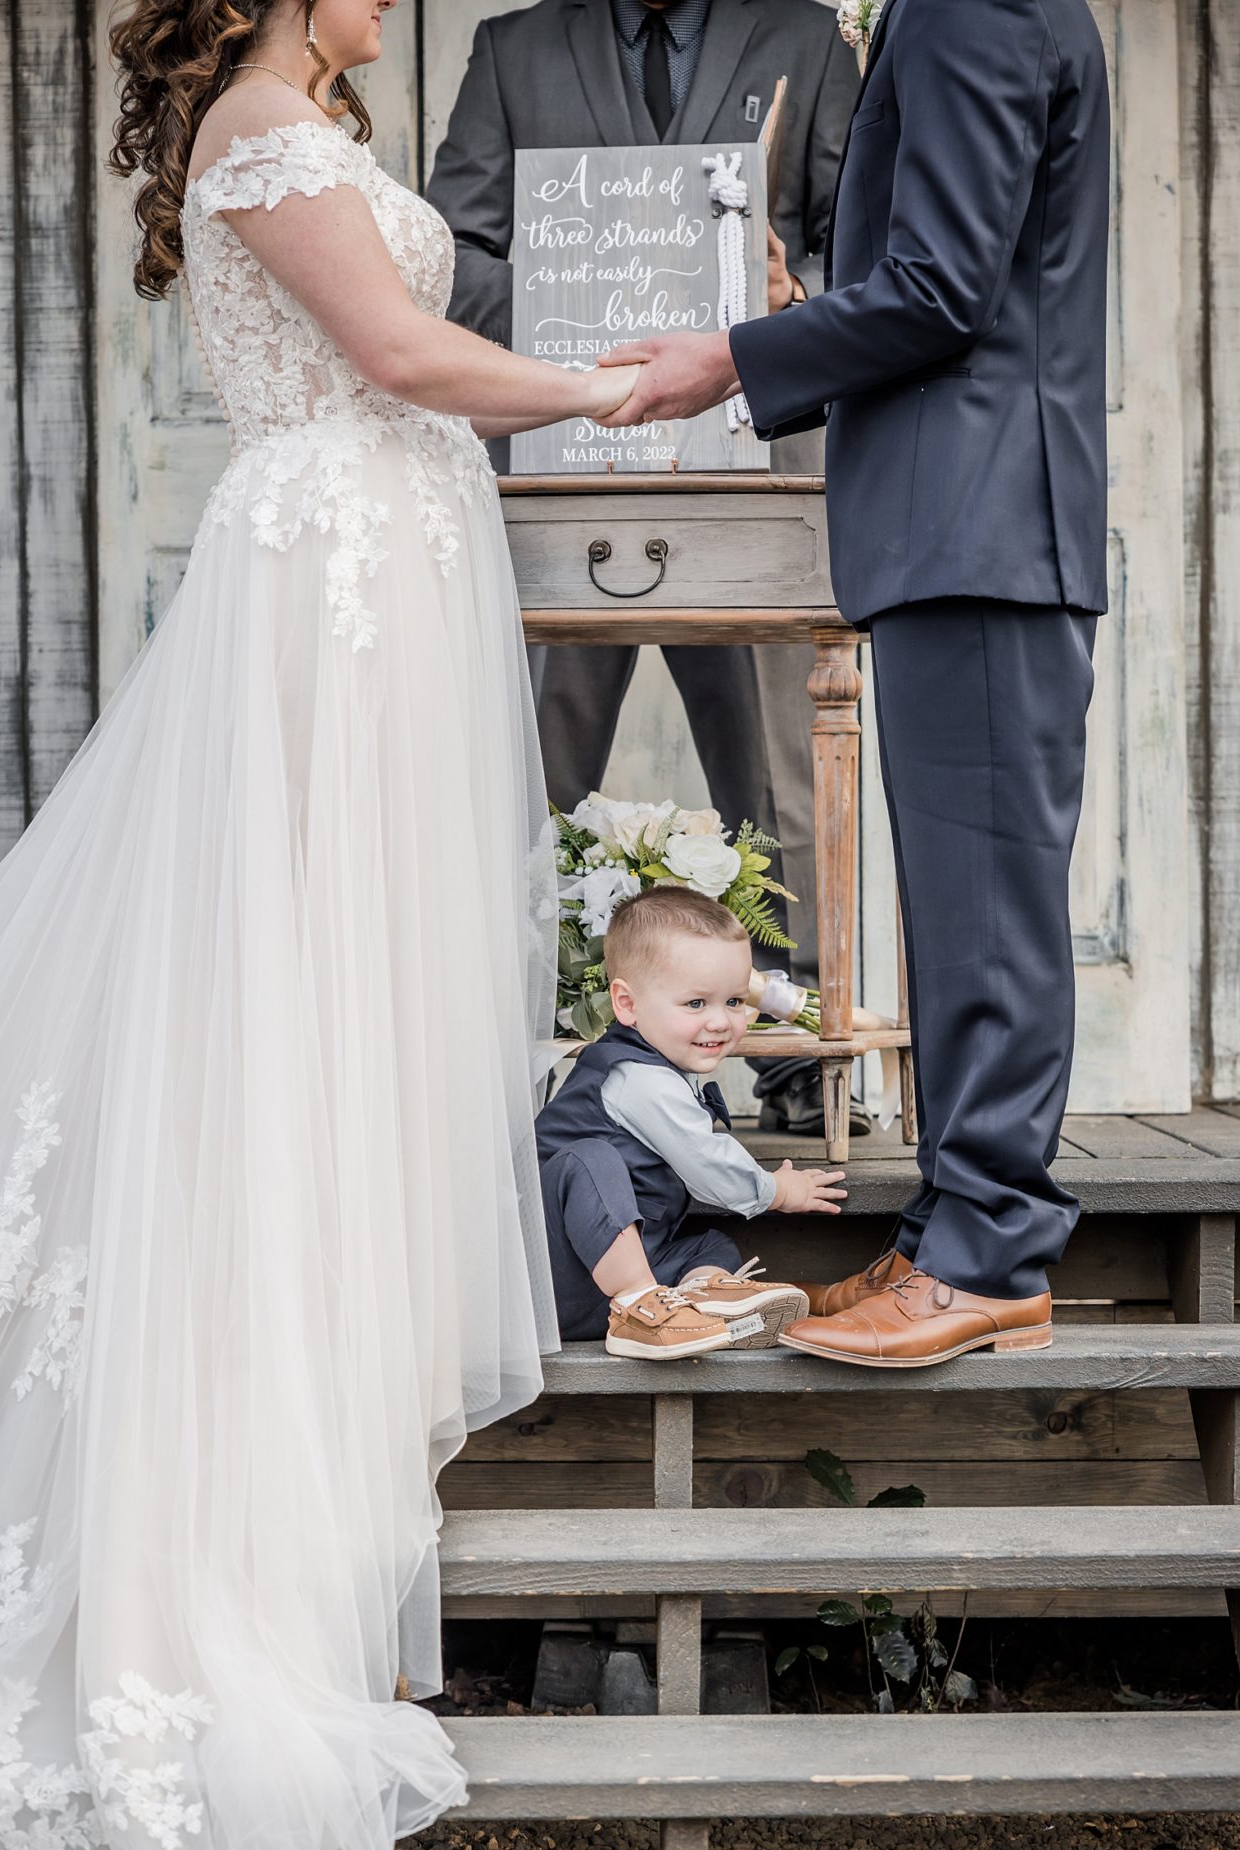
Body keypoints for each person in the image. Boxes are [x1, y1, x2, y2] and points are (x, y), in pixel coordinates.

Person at [0, 0, 643, 1850]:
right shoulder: (267, 129)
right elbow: (404, 356)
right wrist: (614, 390)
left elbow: (448, 309)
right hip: (330, 583)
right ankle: (214, 1575)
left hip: (385, 566)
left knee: (350, 1011)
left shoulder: (313, 115)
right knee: (286, 1014)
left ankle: (317, 1499)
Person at [598, 0, 1111, 1367]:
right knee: (962, 914)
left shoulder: (972, 10)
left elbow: (947, 290)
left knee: (986, 917)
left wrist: (732, 357)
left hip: (986, 529)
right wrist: (800, 313)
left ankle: (990, 1254)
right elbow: (949, 274)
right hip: (965, 529)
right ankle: (952, 1227)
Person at [428, 0, 869, 1138]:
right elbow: (453, 251)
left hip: (750, 469)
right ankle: (498, 1054)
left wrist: (787, 304)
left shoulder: (809, 41)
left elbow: (861, 247)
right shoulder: (512, 50)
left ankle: (795, 1062)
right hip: (559, 471)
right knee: (522, 768)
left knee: (776, 772)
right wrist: (589, 315)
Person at [536, 888, 846, 1357]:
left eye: (735, 1002)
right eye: (696, 1004)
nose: (721, 1022)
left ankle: (708, 1301)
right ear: (627, 1004)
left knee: (710, 1247)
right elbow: (705, 1161)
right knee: (588, 1157)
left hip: (622, 1273)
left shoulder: (663, 1070)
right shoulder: (635, 1076)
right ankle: (644, 1311)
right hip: (559, 1273)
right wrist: (779, 1191)